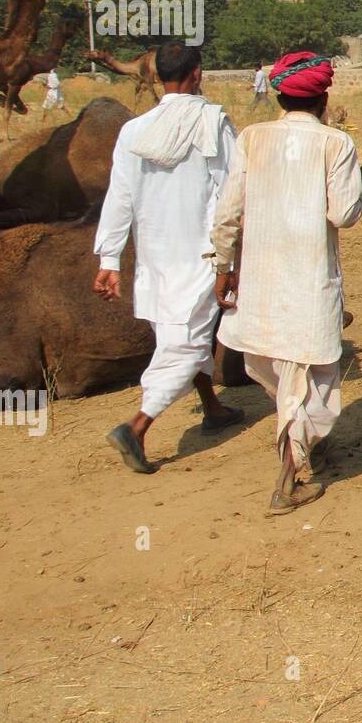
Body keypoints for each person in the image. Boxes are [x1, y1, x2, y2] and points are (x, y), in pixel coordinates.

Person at [209, 52, 362, 514]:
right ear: (323, 97)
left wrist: (223, 267)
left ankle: (307, 443)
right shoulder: (335, 144)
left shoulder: (252, 137)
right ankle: (285, 482)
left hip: (259, 278)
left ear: (279, 94)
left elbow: (227, 212)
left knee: (285, 374)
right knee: (307, 376)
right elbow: (344, 213)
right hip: (309, 278)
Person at [93, 41, 242, 474]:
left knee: (178, 337)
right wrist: (229, 257)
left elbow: (118, 197)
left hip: (154, 257)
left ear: (158, 76)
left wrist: (108, 258)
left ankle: (213, 408)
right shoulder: (211, 122)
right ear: (197, 73)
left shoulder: (133, 131)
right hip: (201, 253)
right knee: (187, 343)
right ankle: (137, 427)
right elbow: (231, 193)